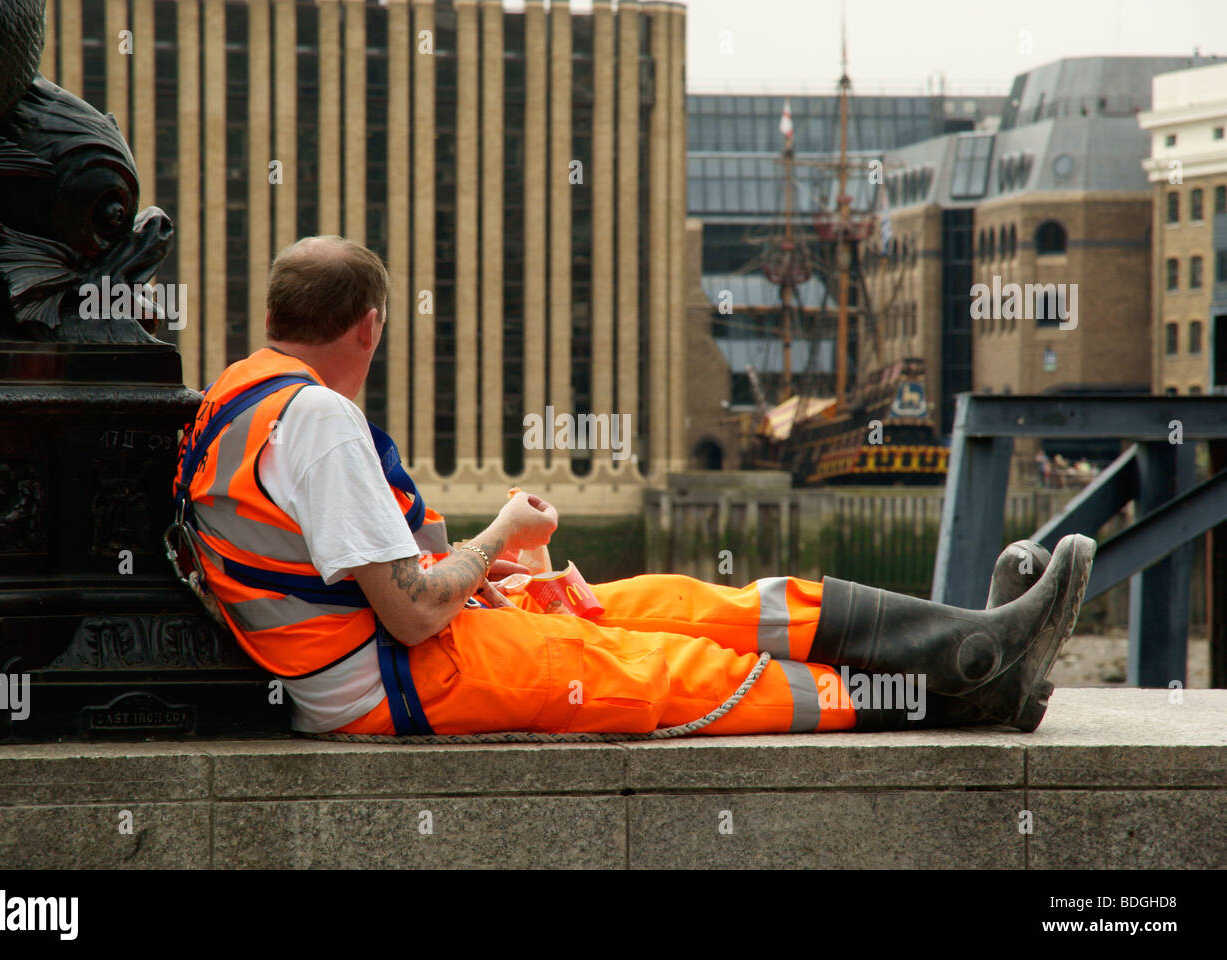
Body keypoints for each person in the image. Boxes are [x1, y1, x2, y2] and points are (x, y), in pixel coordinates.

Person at [172, 236, 1096, 738]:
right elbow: (411, 613)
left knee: (682, 599)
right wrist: (495, 538)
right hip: (384, 680)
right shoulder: (320, 421)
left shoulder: (237, 398)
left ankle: (971, 644)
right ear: (372, 327)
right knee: (667, 672)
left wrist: (493, 572)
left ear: (273, 319)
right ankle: (962, 689)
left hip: (378, 652)